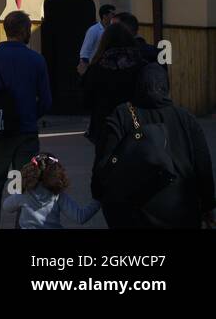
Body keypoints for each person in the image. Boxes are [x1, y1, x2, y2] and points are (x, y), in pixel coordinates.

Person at [92, 63, 216, 229]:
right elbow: (203, 167)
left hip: (132, 215)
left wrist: (100, 193)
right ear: (166, 86)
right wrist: (208, 205)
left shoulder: (121, 115)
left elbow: (104, 164)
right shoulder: (186, 118)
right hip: (181, 213)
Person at [0, 10, 53, 229]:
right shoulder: (36, 60)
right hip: (25, 137)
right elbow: (46, 101)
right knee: (22, 189)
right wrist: (29, 117)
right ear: (26, 31)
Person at [81, 22, 151, 145]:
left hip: (106, 125)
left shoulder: (97, 68)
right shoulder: (142, 66)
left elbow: (85, 100)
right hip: (136, 124)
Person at [2, 153, 100, 228]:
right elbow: (80, 217)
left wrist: (18, 191)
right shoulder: (57, 195)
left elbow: (7, 207)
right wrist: (98, 200)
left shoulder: (24, 194)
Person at [76, 4, 115, 76]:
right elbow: (85, 50)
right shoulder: (93, 30)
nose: (114, 16)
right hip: (95, 67)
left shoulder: (114, 29)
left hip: (110, 67)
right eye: (112, 14)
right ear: (104, 15)